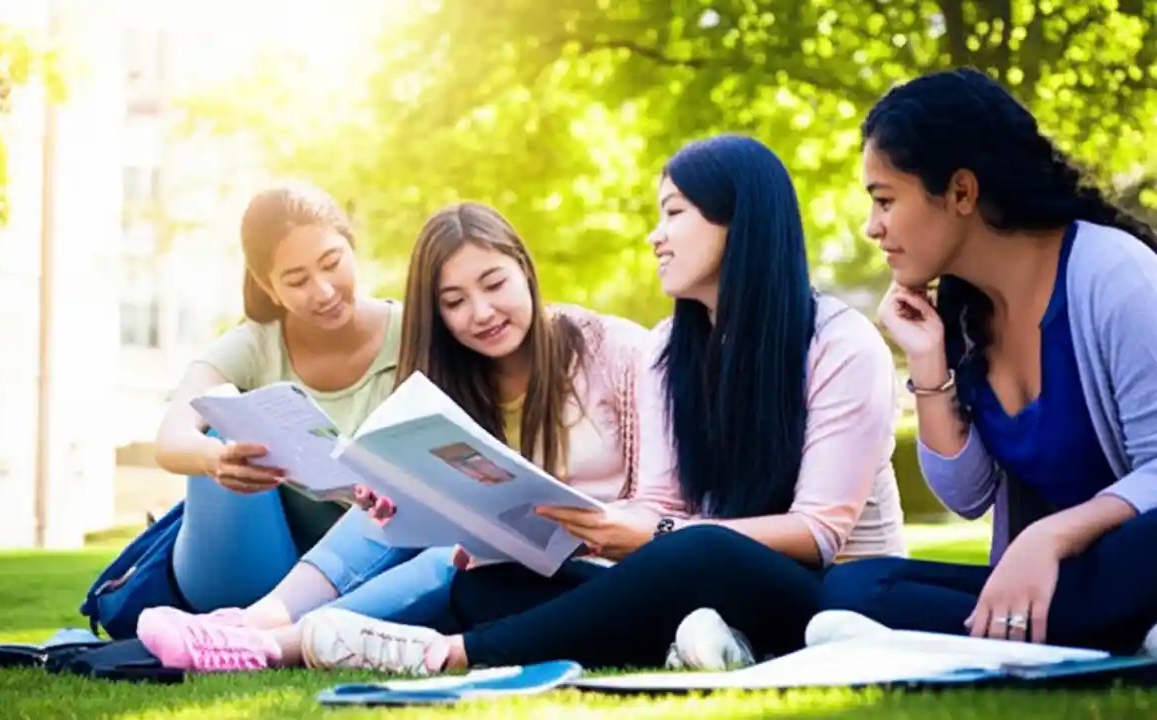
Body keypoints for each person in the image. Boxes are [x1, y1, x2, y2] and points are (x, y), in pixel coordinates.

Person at [284, 133, 907, 676]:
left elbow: (818, 534)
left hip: (830, 595)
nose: (655, 236)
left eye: (674, 212)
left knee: (695, 548)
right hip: (704, 575)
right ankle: (702, 641)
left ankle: (447, 655)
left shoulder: (838, 342)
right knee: (489, 583)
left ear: (735, 221)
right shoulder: (670, 348)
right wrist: (584, 531)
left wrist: (656, 532)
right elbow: (662, 507)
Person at [136, 202, 650, 671]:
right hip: (492, 563)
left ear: (525, 269)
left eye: (495, 285)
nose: (482, 313)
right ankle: (254, 624)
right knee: (393, 512)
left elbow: (666, 499)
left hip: (587, 567)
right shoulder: (456, 370)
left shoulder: (612, 350)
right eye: (455, 301)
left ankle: (274, 645)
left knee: (441, 555)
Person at [812, 67, 1157, 655]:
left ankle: (1012, 639)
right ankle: (1087, 637)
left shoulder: (1115, 277)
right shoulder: (966, 315)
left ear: (962, 193)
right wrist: (926, 362)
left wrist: (1051, 537)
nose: (874, 228)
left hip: (1129, 555)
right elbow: (967, 496)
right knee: (854, 586)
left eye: (885, 200)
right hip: (1056, 581)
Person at [154, 183, 402, 622]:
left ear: (351, 245)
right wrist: (216, 459)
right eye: (297, 280)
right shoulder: (254, 346)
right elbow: (170, 438)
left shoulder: (414, 332)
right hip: (252, 570)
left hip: (371, 559)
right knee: (222, 425)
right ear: (269, 288)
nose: (323, 291)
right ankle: (241, 620)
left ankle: (273, 624)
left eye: (332, 264)